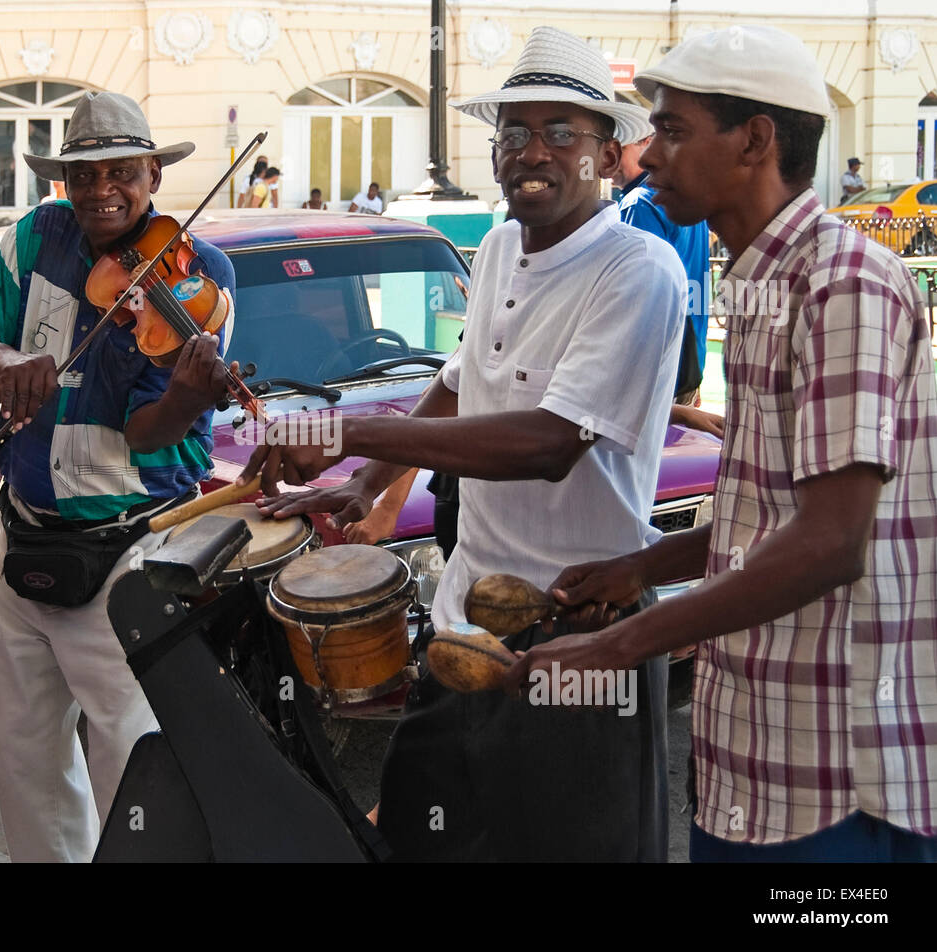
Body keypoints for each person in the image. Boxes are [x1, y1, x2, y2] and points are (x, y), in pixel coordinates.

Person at [239, 26, 684, 861]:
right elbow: (456, 380)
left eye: (561, 132)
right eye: (513, 133)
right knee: (423, 838)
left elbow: (549, 443)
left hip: (581, 636)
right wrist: (371, 481)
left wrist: (337, 431)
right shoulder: (501, 248)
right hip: (463, 630)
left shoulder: (638, 270)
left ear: (610, 150)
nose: (532, 152)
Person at [505, 25, 937, 862]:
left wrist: (618, 644)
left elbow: (828, 545)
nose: (648, 153)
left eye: (671, 130)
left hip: (835, 775)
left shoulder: (839, 282)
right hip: (755, 751)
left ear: (755, 140)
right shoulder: (763, 280)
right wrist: (644, 567)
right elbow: (774, 512)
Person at [0, 92, 236, 863]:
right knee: (27, 757)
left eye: (122, 173)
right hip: (25, 532)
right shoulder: (39, 236)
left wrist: (187, 392)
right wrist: (6, 362)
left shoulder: (200, 276)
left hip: (129, 552)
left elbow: (149, 434)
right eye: (84, 175)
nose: (102, 190)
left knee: (132, 755)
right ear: (64, 184)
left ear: (152, 177)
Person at [614, 135, 723, 438]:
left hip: (658, 370)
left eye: (619, 148)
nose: (609, 157)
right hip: (689, 364)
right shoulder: (683, 202)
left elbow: (639, 299)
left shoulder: (640, 204)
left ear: (644, 143)